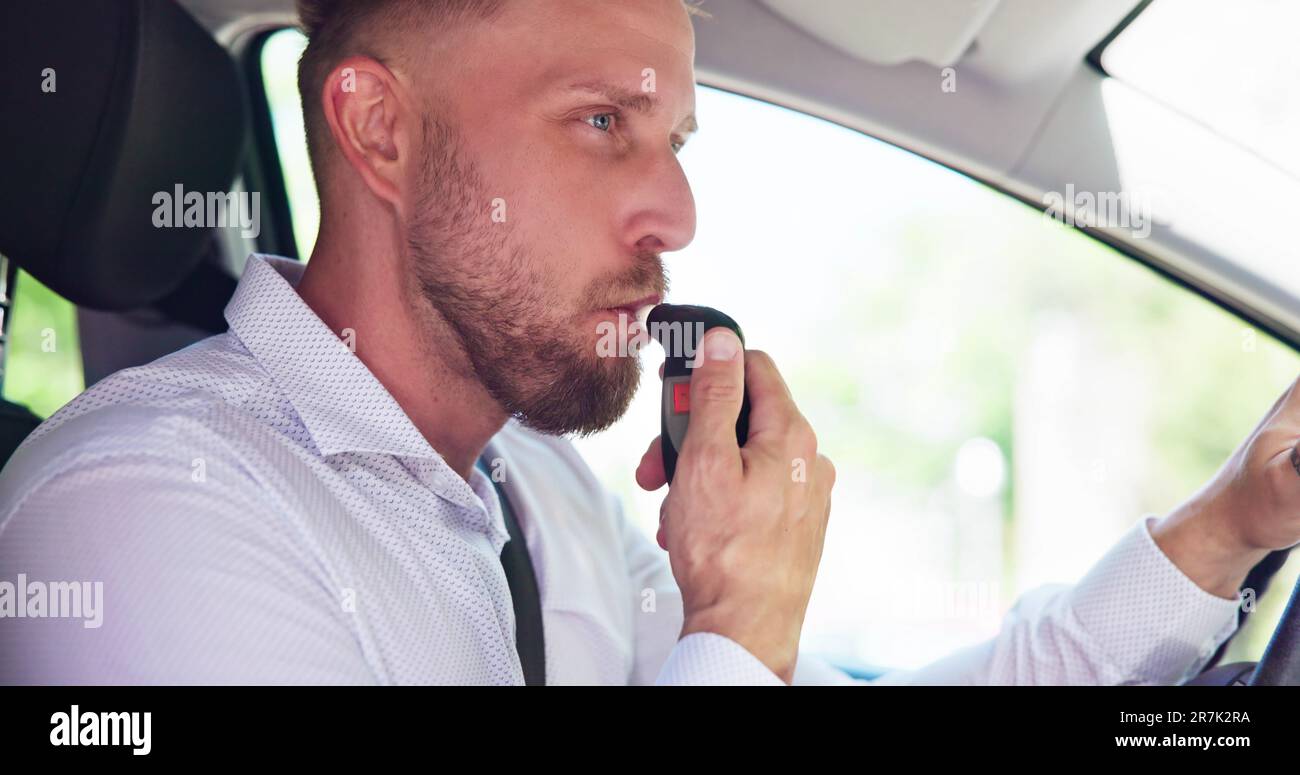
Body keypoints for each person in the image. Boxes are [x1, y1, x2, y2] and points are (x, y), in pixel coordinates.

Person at [1, 0, 1298, 685]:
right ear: (380, 132)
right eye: (601, 126)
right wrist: (733, 624)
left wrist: (1228, 524)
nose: (676, 212)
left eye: (673, 141)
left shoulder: (532, 494)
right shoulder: (138, 524)